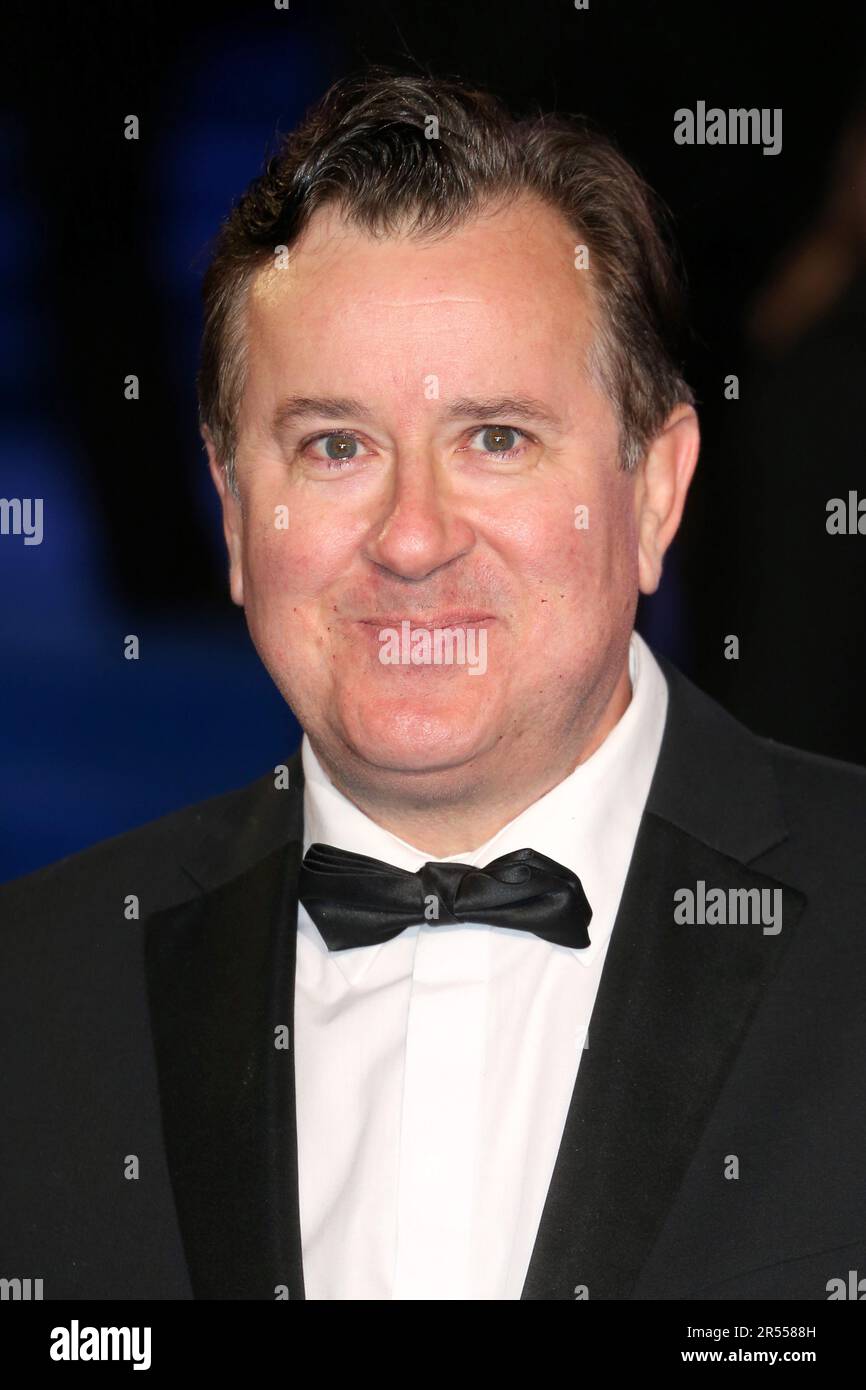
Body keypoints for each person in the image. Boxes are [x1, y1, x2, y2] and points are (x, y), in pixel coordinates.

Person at [2, 68, 865, 1302]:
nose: (411, 537)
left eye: (495, 438)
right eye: (335, 446)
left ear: (656, 490)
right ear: (235, 509)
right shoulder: (33, 1003)